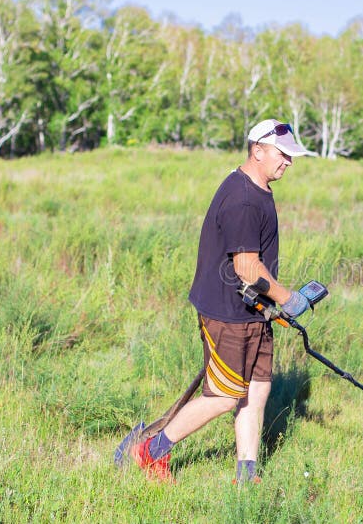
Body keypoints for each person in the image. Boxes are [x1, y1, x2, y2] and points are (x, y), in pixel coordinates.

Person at [129, 119, 311, 483]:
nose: (289, 161)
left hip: (253, 310)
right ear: (257, 151)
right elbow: (246, 268)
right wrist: (288, 298)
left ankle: (246, 476)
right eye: (283, 154)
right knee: (225, 396)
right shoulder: (243, 199)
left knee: (257, 390)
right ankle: (150, 451)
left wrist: (272, 304)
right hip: (228, 313)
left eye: (292, 155)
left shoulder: (256, 186)